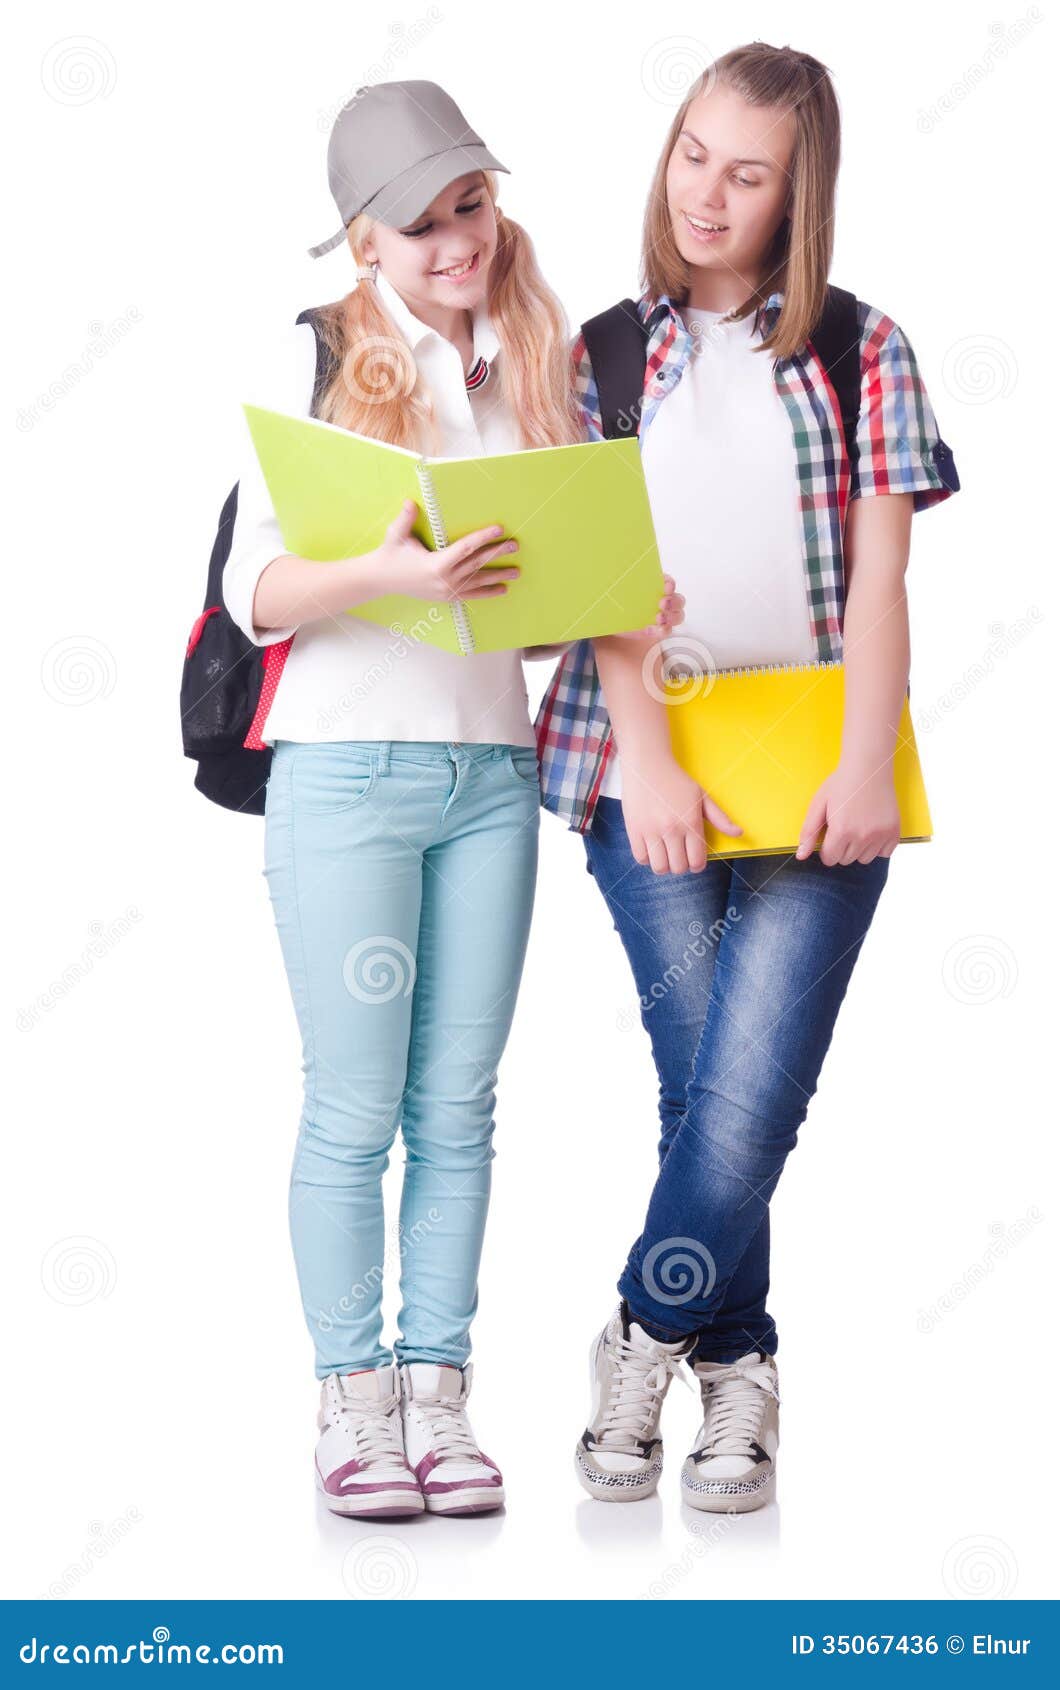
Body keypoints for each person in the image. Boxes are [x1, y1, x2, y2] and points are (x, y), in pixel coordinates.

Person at [223, 80, 682, 1519]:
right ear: (364, 245)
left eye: (469, 207)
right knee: (356, 1108)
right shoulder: (325, 361)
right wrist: (392, 571)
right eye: (418, 227)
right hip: (345, 771)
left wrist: (612, 587)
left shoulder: (538, 362)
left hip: (490, 774)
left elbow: (525, 613)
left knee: (462, 1107)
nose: (455, 245)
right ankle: (351, 1408)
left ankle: (439, 1398)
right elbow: (256, 593)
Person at [534, 43, 960, 1511]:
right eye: (694, 155)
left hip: (819, 775)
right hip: (635, 759)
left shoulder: (863, 347)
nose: (708, 193)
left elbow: (885, 581)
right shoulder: (594, 356)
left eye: (750, 172)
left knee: (746, 1095)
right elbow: (590, 580)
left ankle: (645, 1336)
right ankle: (746, 1376)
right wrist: (646, 768)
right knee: (705, 1088)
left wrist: (862, 768)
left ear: (800, 195)